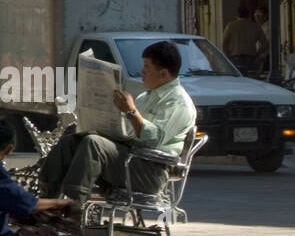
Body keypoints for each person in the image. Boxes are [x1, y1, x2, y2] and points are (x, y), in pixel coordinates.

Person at [40, 40, 197, 205]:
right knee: (71, 141)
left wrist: (130, 111)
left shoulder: (178, 102)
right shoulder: (146, 97)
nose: (142, 72)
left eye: (147, 68)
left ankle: (72, 206)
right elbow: (127, 132)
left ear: (164, 74)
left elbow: (153, 140)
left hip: (149, 171)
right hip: (129, 159)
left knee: (94, 144)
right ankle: (46, 200)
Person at [221, 6, 267, 73]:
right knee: (251, 79)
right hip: (251, 58)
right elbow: (265, 44)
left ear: (237, 14)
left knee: (238, 81)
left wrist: (228, 57)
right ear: (249, 15)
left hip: (235, 58)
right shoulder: (255, 26)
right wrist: (258, 54)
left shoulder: (230, 26)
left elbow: (224, 44)